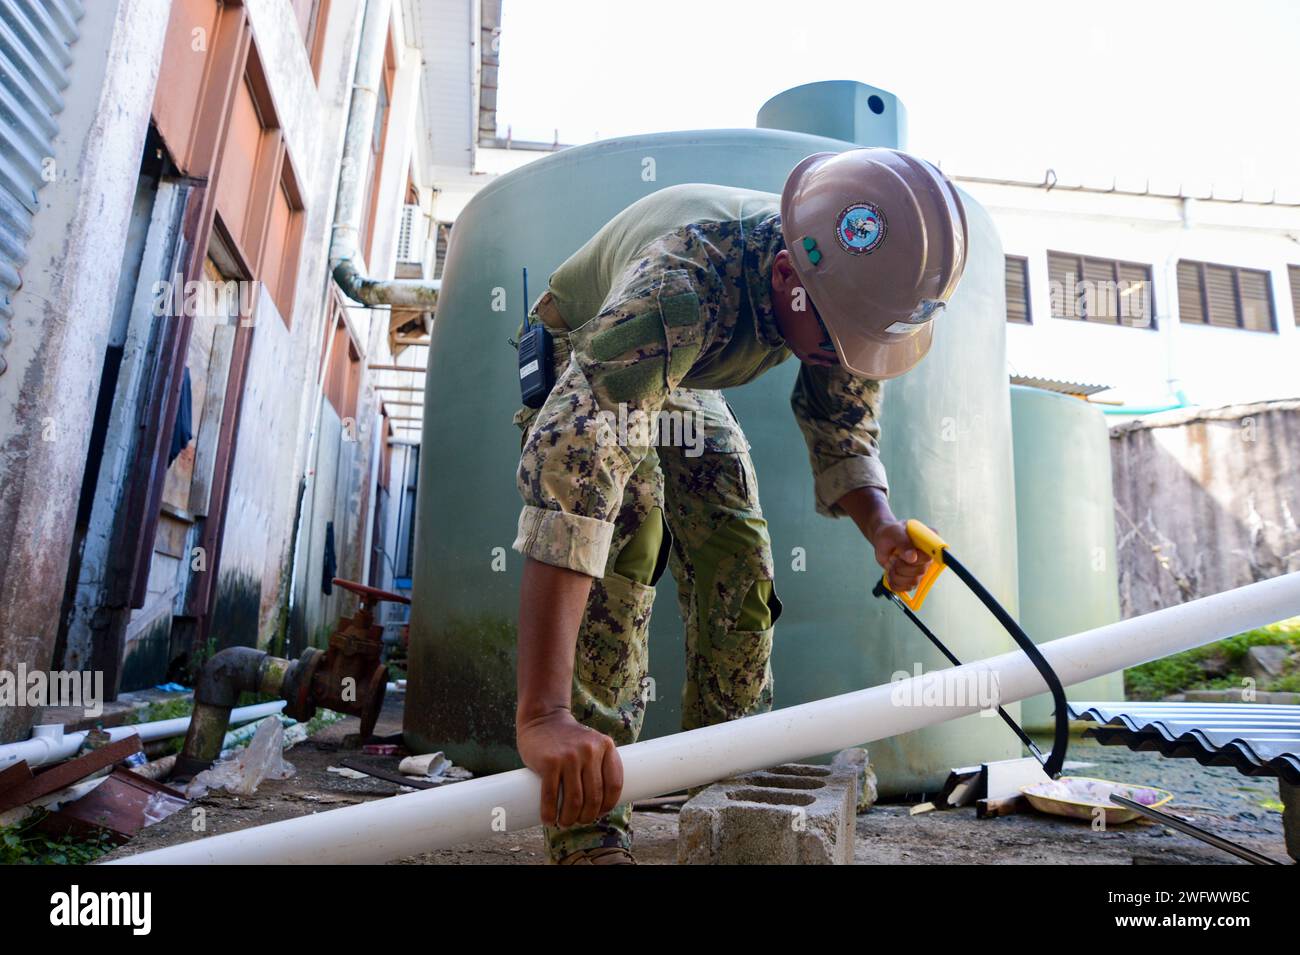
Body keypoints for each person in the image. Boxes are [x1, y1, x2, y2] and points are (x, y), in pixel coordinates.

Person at [510, 148, 968, 864]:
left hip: (681, 371)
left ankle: (719, 784)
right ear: (787, 279)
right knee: (627, 540)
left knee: (738, 557)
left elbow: (841, 418)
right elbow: (576, 472)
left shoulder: (846, 292)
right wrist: (543, 714)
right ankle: (585, 827)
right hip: (596, 344)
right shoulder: (681, 290)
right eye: (838, 344)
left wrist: (881, 528)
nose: (847, 359)